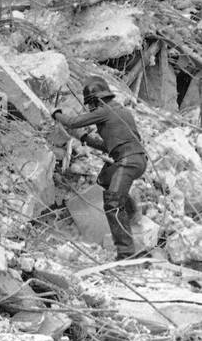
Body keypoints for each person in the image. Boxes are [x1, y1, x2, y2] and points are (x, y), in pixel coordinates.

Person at [54, 75, 149, 260]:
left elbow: (73, 122)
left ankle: (126, 252)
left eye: (90, 105)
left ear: (95, 100)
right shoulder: (121, 111)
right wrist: (86, 139)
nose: (90, 109)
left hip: (128, 161)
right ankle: (131, 213)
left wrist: (56, 113)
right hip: (135, 160)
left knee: (113, 203)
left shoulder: (104, 110)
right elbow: (110, 146)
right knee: (104, 180)